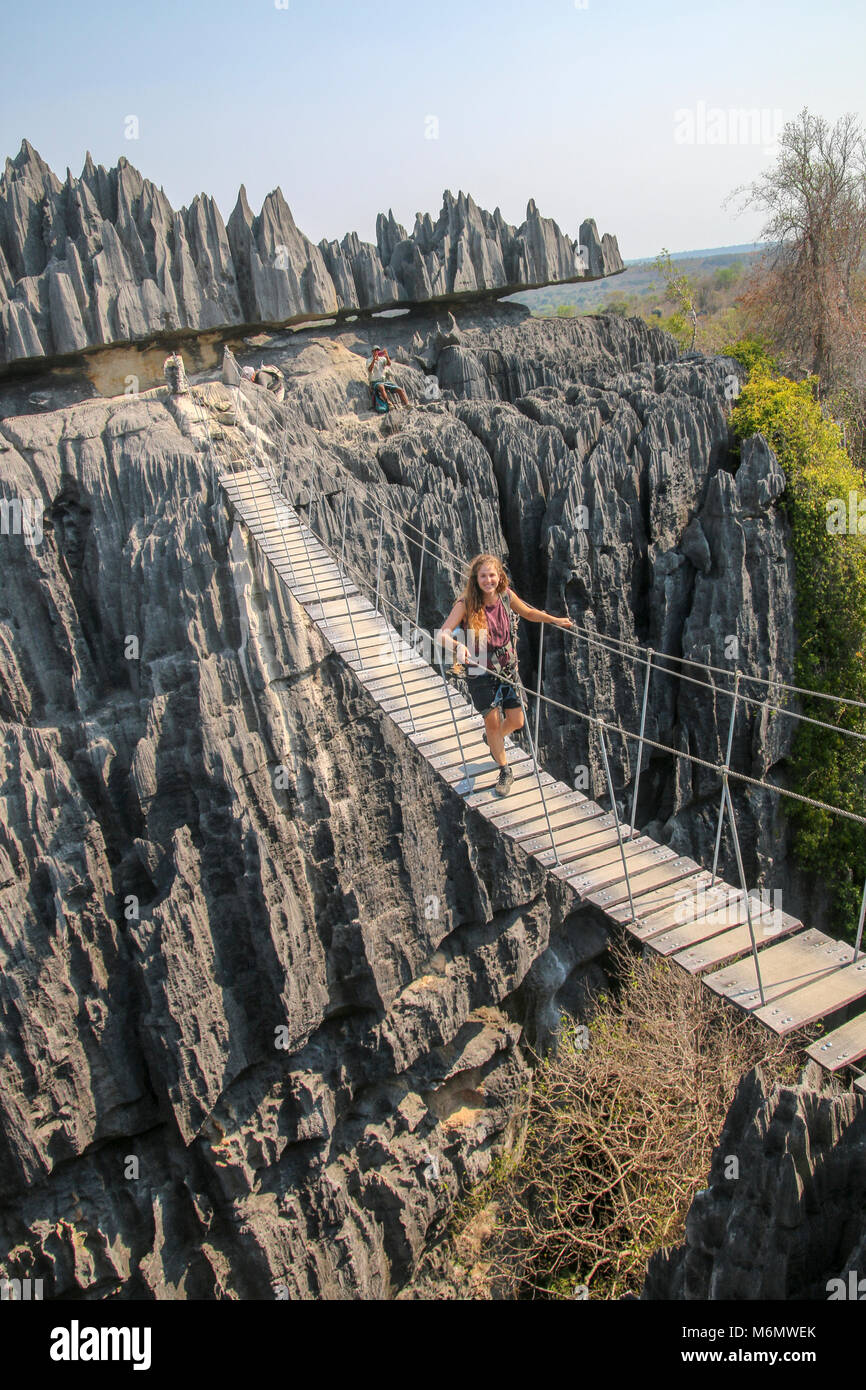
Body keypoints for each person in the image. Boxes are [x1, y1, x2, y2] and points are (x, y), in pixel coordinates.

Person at [437, 554, 574, 796]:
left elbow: (530, 613)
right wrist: (458, 646)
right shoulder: (465, 603)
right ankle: (504, 770)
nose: (488, 580)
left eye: (492, 575)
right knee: (492, 722)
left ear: (499, 576)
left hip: (508, 669)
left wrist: (554, 620)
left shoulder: (505, 596)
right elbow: (443, 634)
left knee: (517, 721)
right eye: (483, 576)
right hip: (479, 670)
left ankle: (493, 739)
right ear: (476, 579)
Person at [368, 345, 410, 410]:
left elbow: (389, 364)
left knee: (399, 389)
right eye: (375, 351)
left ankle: (407, 404)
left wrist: (386, 356)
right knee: (381, 387)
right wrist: (374, 360)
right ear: (372, 352)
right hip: (374, 382)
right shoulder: (369, 360)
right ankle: (389, 403)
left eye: (377, 351)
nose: (376, 352)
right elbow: (370, 369)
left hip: (383, 380)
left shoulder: (381, 359)